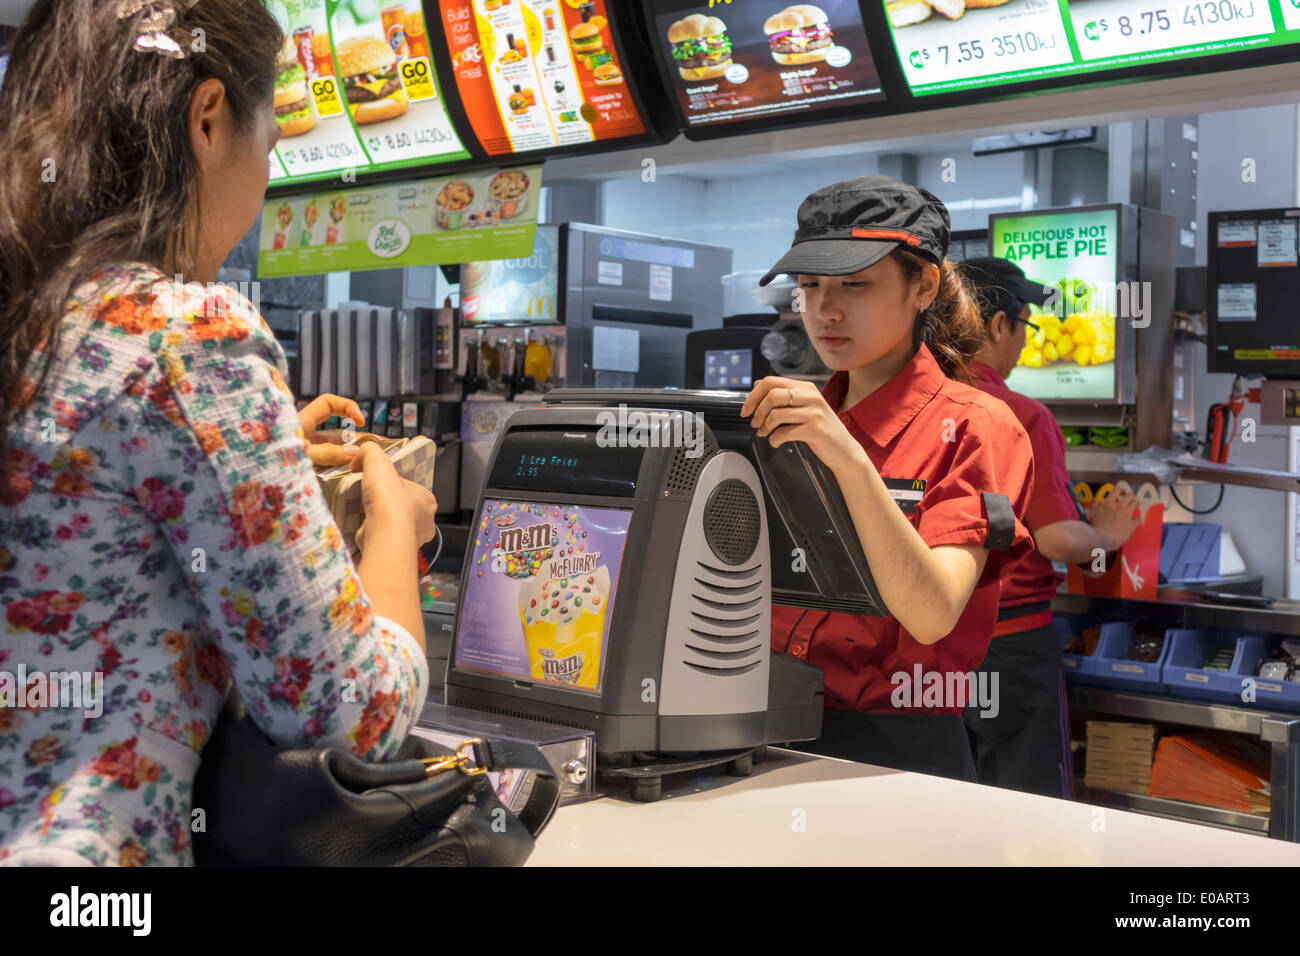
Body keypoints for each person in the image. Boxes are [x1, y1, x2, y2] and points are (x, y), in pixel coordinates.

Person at [0, 0, 436, 866]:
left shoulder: (36, 312)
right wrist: (392, 524)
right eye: (270, 144)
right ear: (208, 120)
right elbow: (353, 710)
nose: (265, 175)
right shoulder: (177, 337)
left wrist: (253, 461)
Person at [743, 177, 1036, 781]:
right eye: (809, 287)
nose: (825, 310)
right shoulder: (787, 421)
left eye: (855, 285)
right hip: (762, 728)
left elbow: (931, 613)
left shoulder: (978, 427)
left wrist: (847, 459)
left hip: (898, 751)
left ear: (922, 286)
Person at [959, 256, 1142, 797]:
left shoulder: (916, 404)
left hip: (930, 649)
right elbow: (1057, 538)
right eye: (1025, 326)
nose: (1023, 342)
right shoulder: (1021, 414)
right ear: (998, 326)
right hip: (1011, 646)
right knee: (1028, 807)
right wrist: (1108, 536)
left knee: (948, 801)